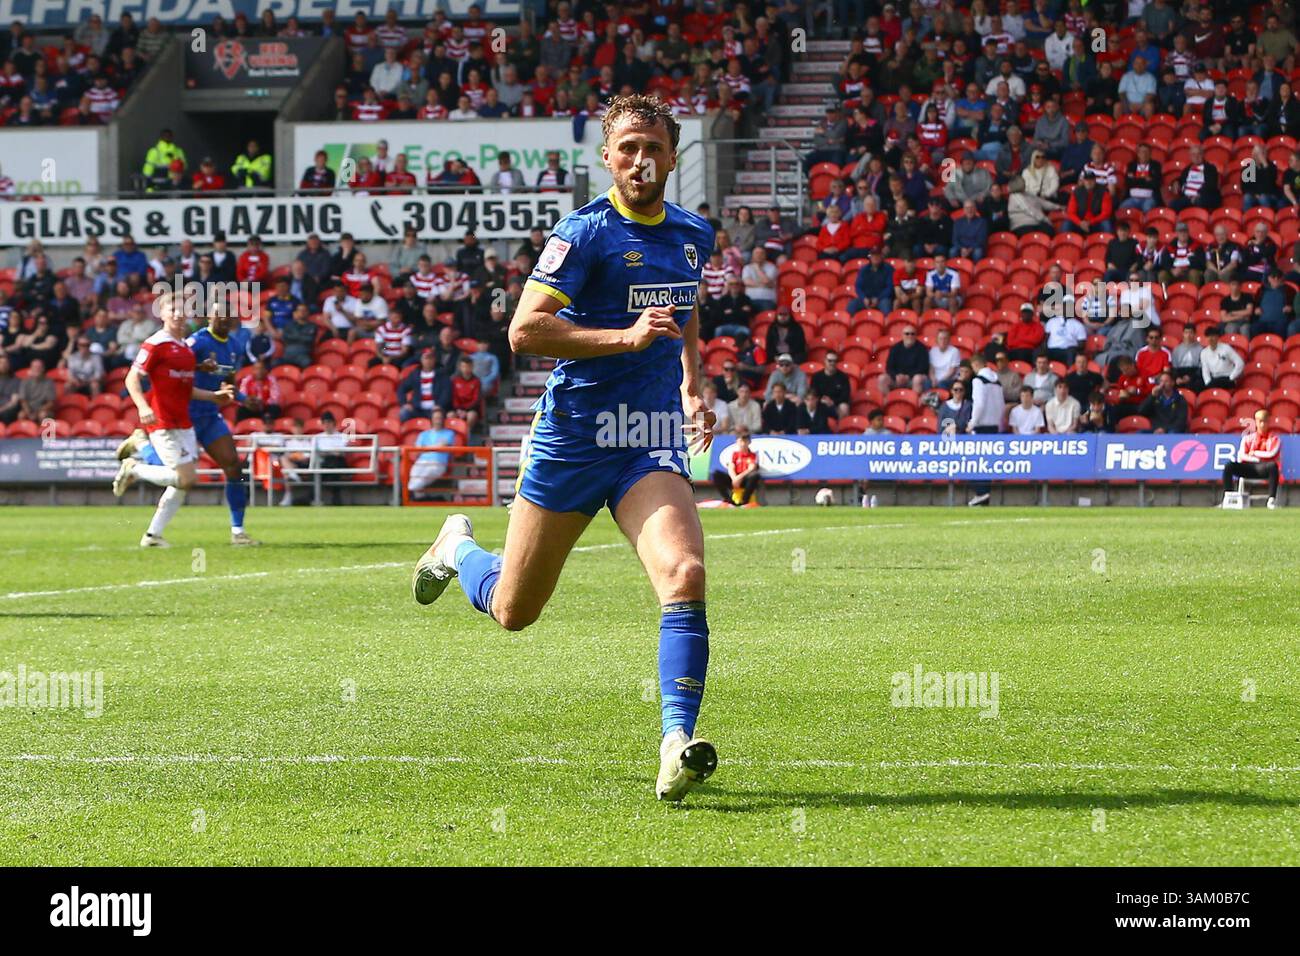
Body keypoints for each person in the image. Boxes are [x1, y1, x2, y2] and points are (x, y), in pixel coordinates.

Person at [409, 96, 719, 802]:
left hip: (646, 439)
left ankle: (676, 741)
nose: (642, 160)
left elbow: (686, 304)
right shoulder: (583, 234)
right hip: (575, 437)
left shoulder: (694, 234)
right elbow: (524, 331)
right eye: (628, 148)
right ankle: (457, 548)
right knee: (515, 610)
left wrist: (693, 383)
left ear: (674, 156)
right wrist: (625, 338)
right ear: (608, 157)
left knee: (686, 572)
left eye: (655, 148)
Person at [115, 304, 259, 546]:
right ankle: (141, 452)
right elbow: (165, 374)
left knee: (232, 466)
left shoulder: (232, 346)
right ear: (209, 318)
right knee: (180, 475)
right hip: (179, 414)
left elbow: (225, 382)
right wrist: (143, 406)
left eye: (228, 315)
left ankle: (237, 531)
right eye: (218, 315)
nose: (223, 319)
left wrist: (242, 399)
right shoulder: (194, 342)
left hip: (207, 416)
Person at [1222, 410, 1280, 508]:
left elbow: (1271, 454)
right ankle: (1229, 498)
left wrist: (1255, 453)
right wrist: (1256, 459)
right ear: (1256, 422)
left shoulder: (1274, 438)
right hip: (1249, 467)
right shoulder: (1248, 438)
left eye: (1265, 421)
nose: (1262, 424)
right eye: (1260, 421)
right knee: (1229, 466)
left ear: (1268, 423)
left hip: (1263, 468)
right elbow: (1242, 455)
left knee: (1273, 466)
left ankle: (1271, 500)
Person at [408, 408, 457, 497]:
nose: (438, 421)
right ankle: (418, 499)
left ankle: (406, 492)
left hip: (438, 463)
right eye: (436, 418)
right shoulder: (423, 434)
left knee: (424, 477)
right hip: (422, 461)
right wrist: (434, 447)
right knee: (414, 474)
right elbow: (418, 450)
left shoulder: (449, 433)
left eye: (440, 418)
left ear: (443, 420)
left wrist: (426, 448)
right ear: (432, 420)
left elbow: (443, 446)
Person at [711, 429, 761, 506]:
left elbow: (751, 469)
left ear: (749, 442)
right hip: (734, 479)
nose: (743, 444)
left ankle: (744, 501)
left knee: (755, 475)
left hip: (745, 480)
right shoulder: (734, 454)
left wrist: (739, 478)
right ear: (737, 442)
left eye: (745, 441)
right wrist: (734, 478)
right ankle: (728, 499)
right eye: (741, 441)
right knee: (716, 474)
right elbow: (731, 467)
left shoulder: (753, 455)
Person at [1200, 325, 1243, 390]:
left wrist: (1231, 377)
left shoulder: (1226, 348)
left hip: (1227, 377)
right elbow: (1205, 370)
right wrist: (1207, 382)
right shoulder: (1204, 352)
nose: (1211, 339)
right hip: (1214, 378)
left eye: (1213, 336)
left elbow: (1240, 363)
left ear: (1217, 337)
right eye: (1208, 336)